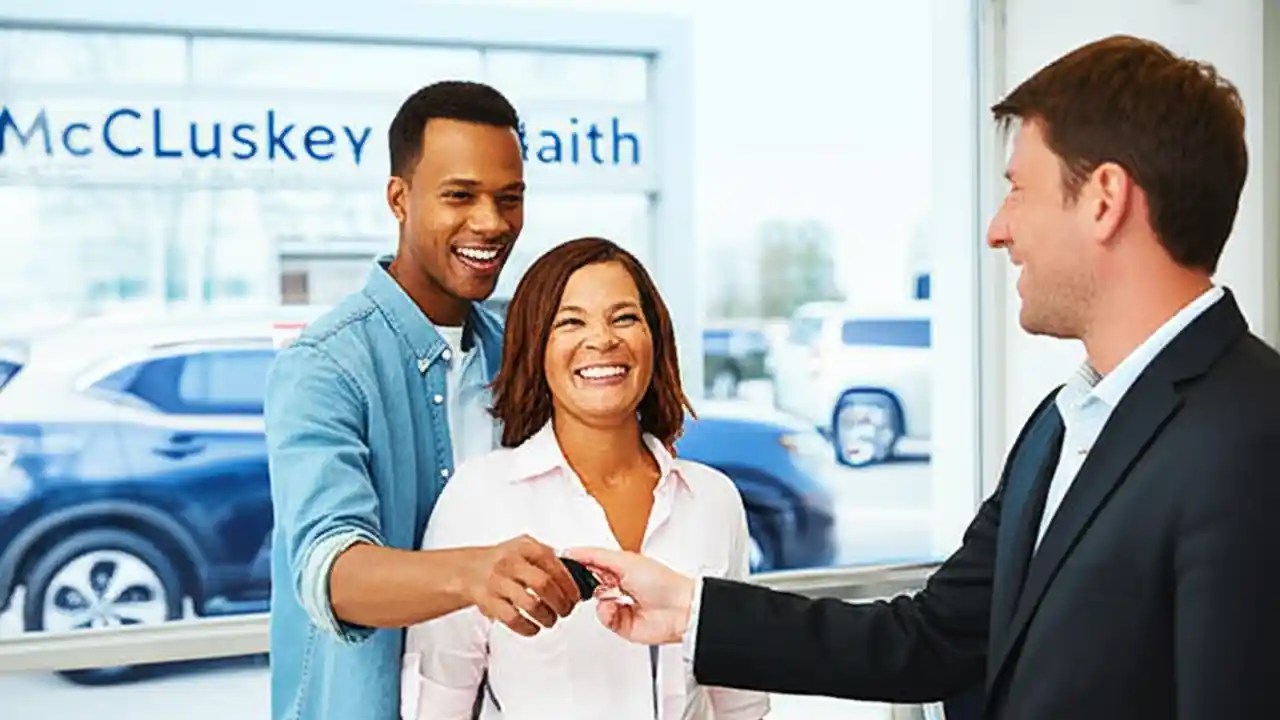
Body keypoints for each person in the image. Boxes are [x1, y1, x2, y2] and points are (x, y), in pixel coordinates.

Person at [567, 34, 1280, 719]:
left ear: (1104, 198)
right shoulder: (1063, 424)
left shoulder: (1252, 435)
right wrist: (690, 610)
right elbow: (931, 640)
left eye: (1018, 190)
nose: (998, 229)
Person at [265, 81, 581, 720]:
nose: (491, 223)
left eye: (509, 198)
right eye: (460, 195)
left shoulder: (521, 348)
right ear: (399, 198)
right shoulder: (323, 366)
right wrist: (474, 574)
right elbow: (334, 574)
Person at [399, 237, 770, 720]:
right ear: (537, 348)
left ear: (655, 340)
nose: (602, 339)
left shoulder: (713, 500)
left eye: (624, 318)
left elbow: (740, 705)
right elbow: (438, 705)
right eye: (571, 321)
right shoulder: (479, 498)